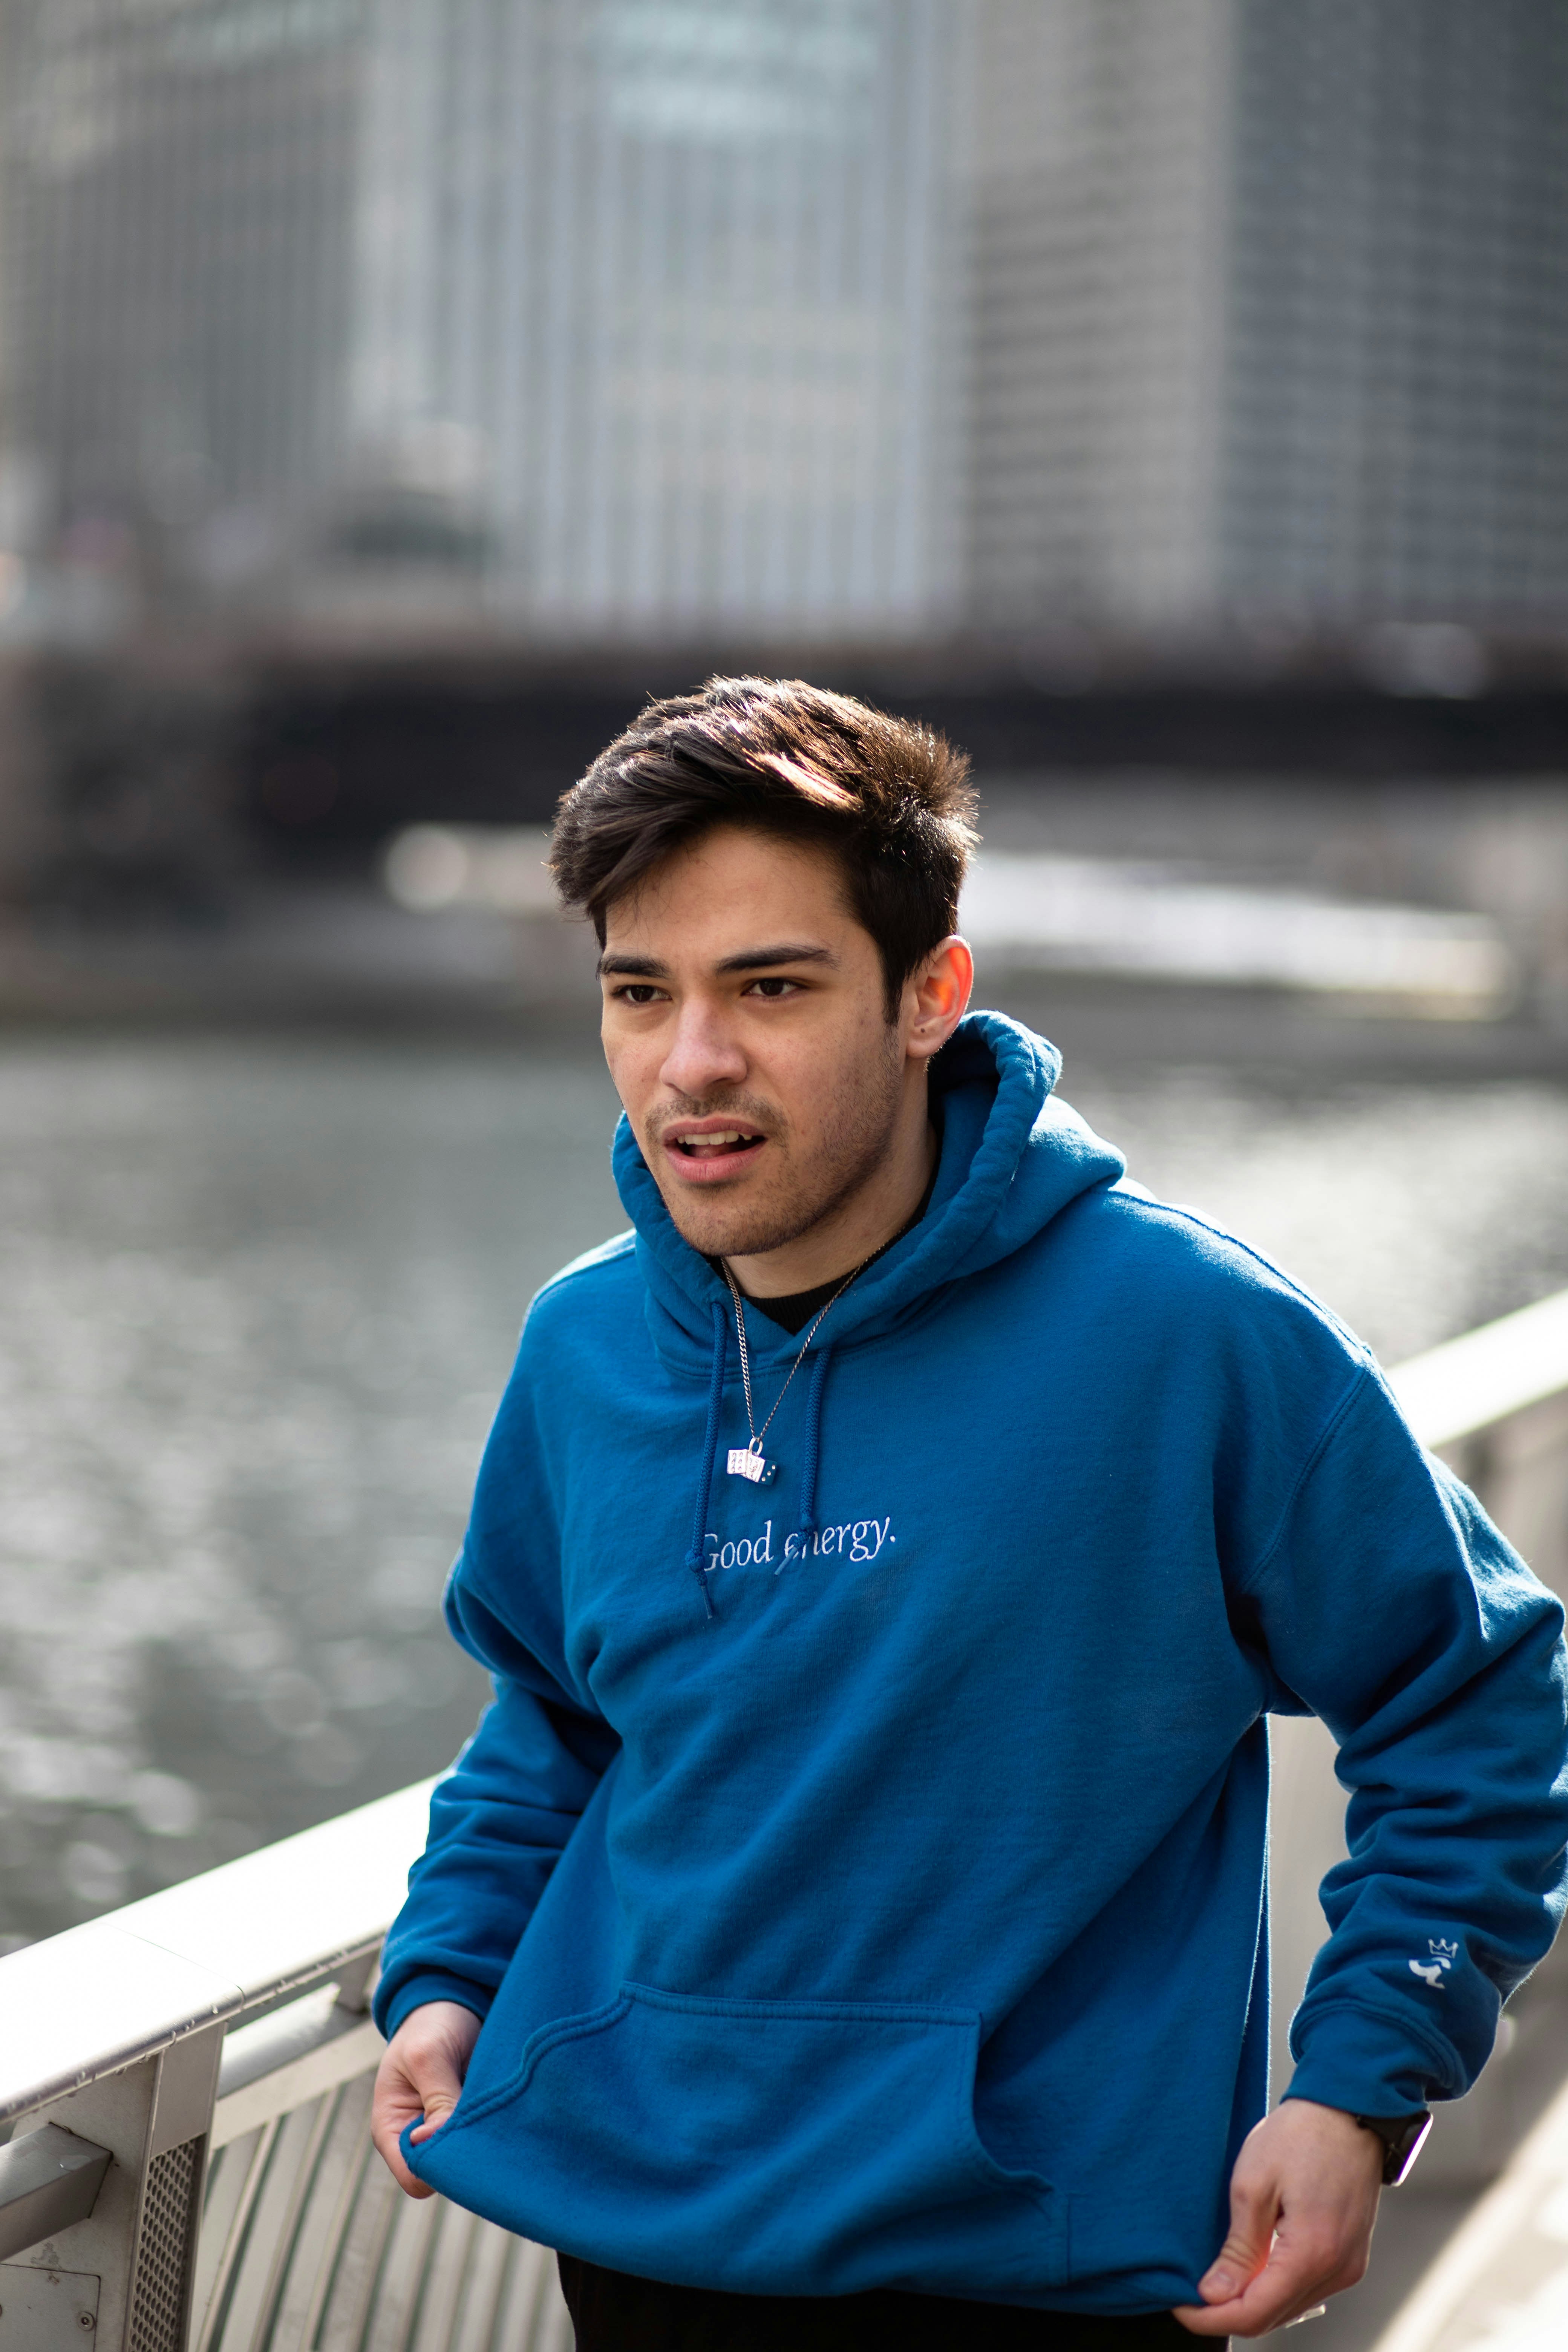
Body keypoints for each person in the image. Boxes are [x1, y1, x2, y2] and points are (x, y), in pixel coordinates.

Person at [369, 677, 1568, 2349]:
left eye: (768, 987)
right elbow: (554, 1720)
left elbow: (1475, 1704)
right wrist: (446, 1973)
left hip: (1038, 2266)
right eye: (639, 993)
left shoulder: (1186, 1331)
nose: (690, 1062)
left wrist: (1360, 2089)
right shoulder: (582, 1346)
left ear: (927, 994)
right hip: (632, 2240)